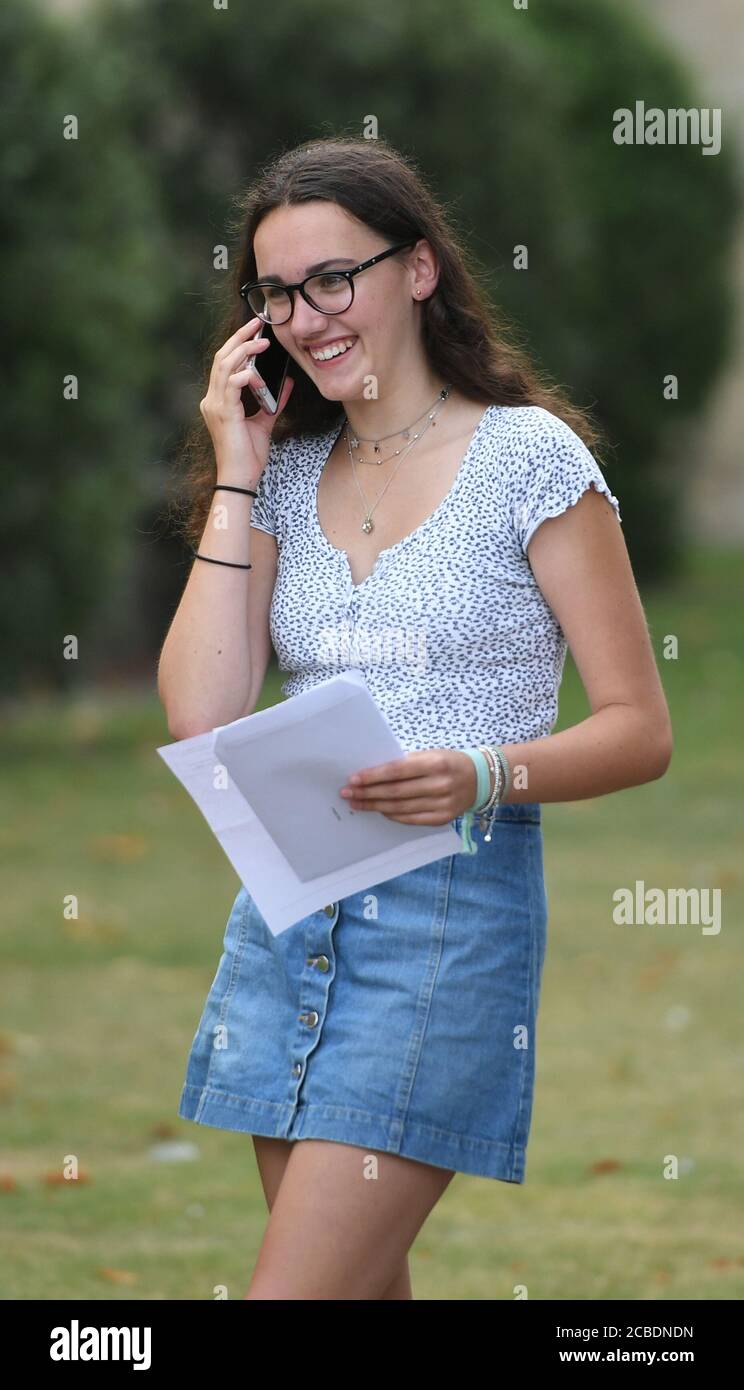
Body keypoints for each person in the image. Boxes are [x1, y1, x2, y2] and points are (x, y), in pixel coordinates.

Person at [158, 135, 673, 1300]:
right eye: (276, 291)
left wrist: (480, 773)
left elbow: (640, 727)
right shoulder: (280, 474)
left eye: (334, 277)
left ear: (421, 270)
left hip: (445, 923)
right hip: (285, 919)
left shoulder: (529, 461)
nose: (305, 314)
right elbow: (202, 707)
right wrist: (233, 463)